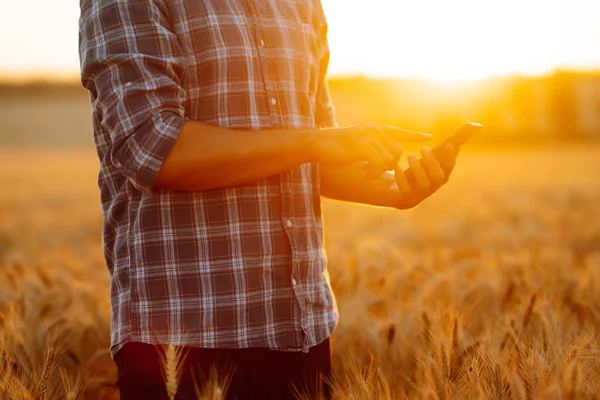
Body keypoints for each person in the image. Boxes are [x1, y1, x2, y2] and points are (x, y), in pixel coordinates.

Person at [78, 0, 460, 398]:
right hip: (182, 339)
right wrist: (314, 142)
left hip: (301, 332)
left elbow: (311, 155)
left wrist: (393, 189)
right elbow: (152, 147)